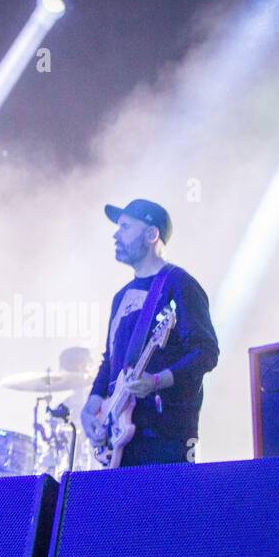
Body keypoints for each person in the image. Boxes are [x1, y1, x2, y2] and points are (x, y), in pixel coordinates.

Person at [82, 199, 219, 467]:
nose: (116, 234)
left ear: (151, 234)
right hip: (120, 437)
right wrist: (92, 407)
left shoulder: (179, 284)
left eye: (125, 227)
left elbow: (206, 352)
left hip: (164, 437)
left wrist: (156, 381)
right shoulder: (120, 297)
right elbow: (110, 361)